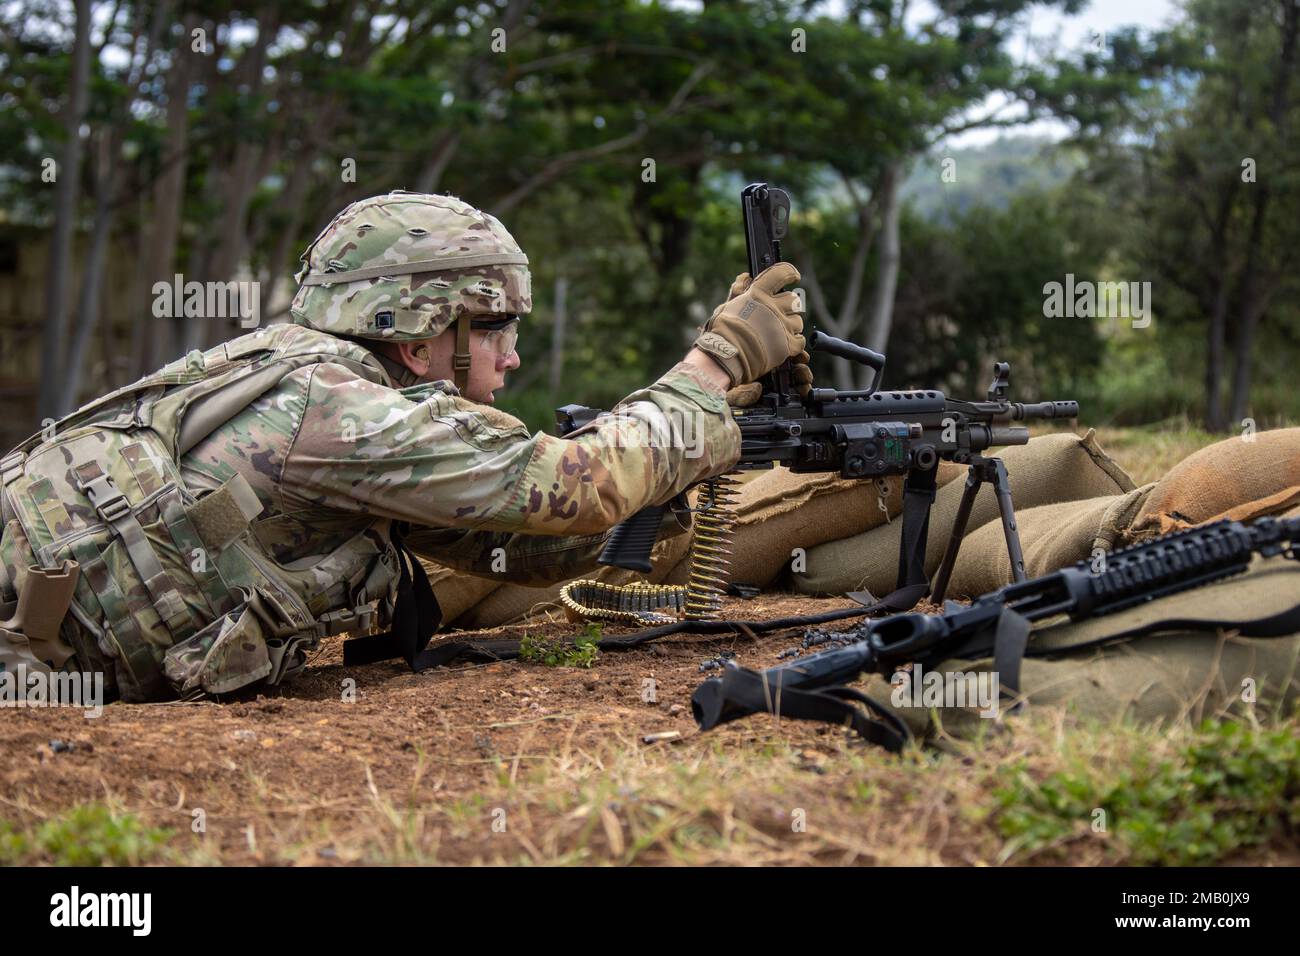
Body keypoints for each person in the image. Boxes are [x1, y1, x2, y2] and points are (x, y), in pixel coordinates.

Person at [0, 190, 808, 702]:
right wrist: (714, 364)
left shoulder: (305, 374)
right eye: (492, 327)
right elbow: (578, 482)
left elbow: (516, 546)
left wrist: (677, 475)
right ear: (418, 338)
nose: (512, 356)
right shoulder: (339, 412)